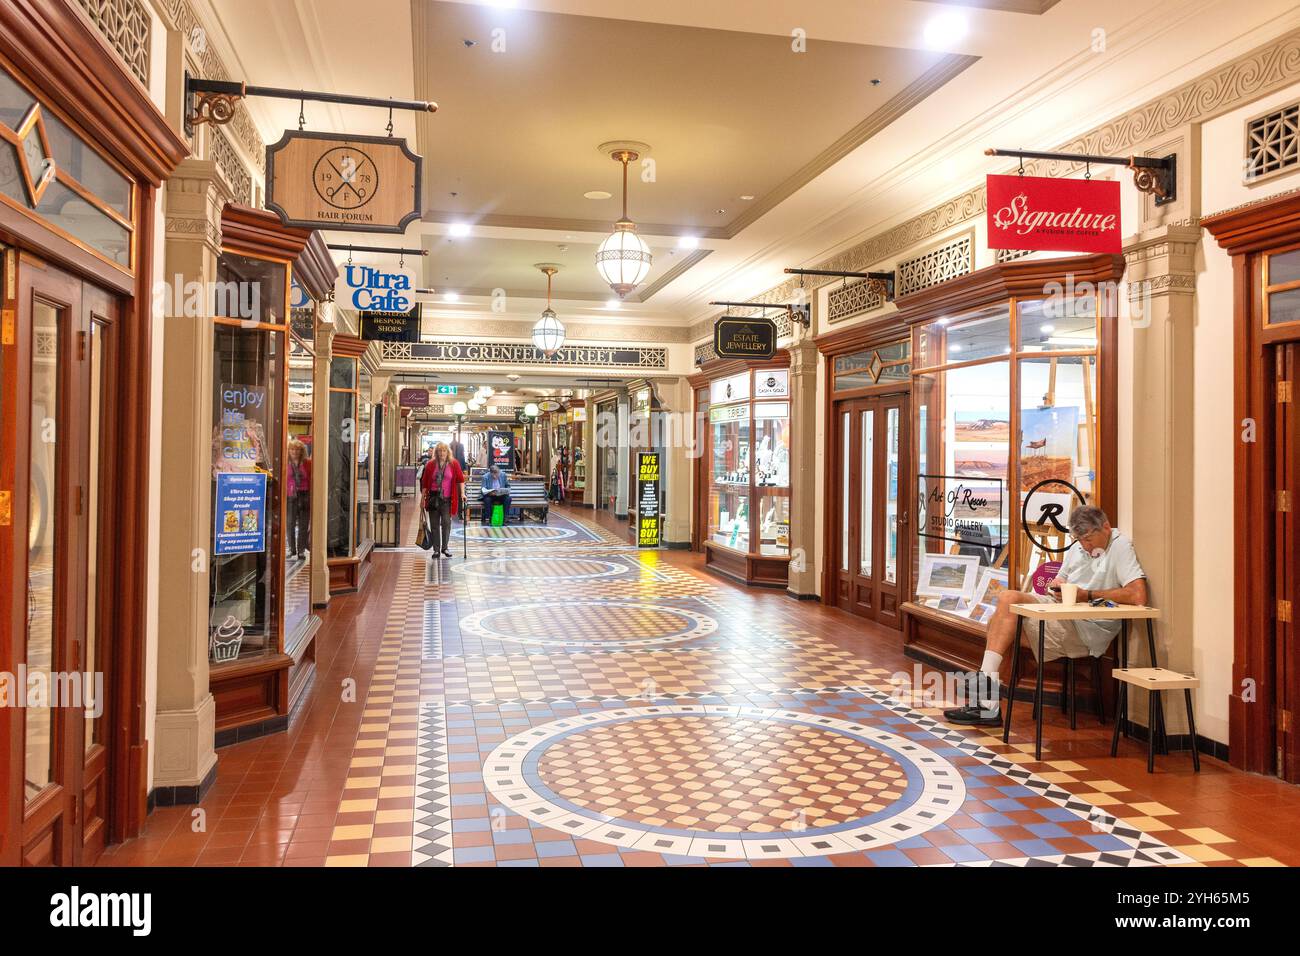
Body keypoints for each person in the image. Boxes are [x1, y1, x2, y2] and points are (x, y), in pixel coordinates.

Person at [943, 505, 1148, 726]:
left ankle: (985, 699)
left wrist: (1085, 594)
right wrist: (1057, 585)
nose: (1085, 546)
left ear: (1106, 527)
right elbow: (1060, 579)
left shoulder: (1120, 547)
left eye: (1089, 539)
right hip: (1060, 610)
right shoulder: (1078, 548)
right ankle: (986, 695)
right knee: (1007, 598)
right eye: (1080, 540)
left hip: (1086, 626)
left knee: (1001, 625)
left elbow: (1138, 596)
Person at [421, 442, 465, 558]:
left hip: (447, 499)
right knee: (434, 524)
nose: (442, 453)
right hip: (433, 498)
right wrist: (422, 499)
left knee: (446, 523)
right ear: (436, 452)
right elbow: (425, 483)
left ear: (448, 452)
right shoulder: (430, 465)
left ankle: (444, 548)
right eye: (439, 451)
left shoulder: (454, 464)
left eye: (444, 451)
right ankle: (436, 550)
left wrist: (463, 494)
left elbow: (460, 480)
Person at [286, 439, 311, 559]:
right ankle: (292, 550)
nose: (294, 452)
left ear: (302, 451)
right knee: (290, 523)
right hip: (291, 495)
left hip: (305, 495)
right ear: (288, 451)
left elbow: (312, 478)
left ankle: (301, 550)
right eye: (292, 449)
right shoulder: (285, 463)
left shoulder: (308, 463)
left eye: (297, 449)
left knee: (303, 524)